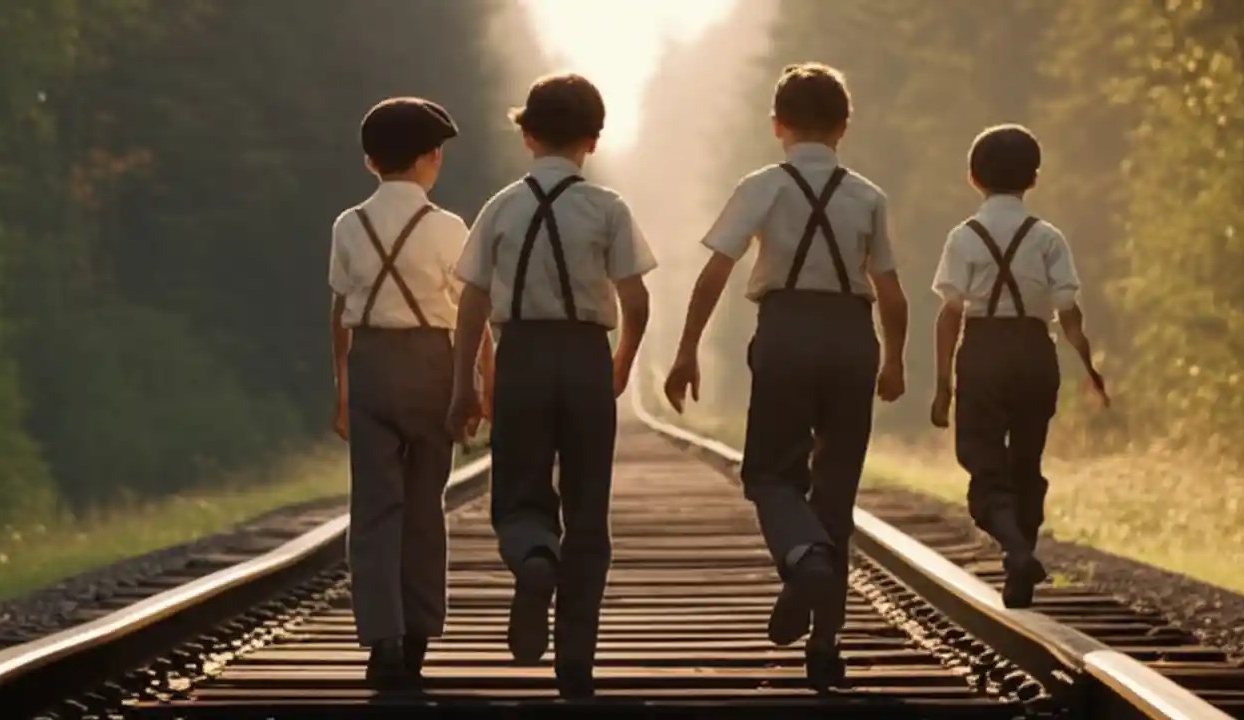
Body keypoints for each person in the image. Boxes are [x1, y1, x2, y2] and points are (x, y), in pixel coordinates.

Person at [663, 62, 909, 692]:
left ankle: (803, 559)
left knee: (770, 472)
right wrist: (895, 358)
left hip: (786, 331)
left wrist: (687, 347)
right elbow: (890, 290)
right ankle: (825, 649)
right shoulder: (868, 195)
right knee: (836, 494)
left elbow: (716, 269)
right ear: (844, 128)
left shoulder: (762, 185)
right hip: (853, 337)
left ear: (776, 125)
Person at [445, 73, 656, 700]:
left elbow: (472, 304)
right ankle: (575, 664)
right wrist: (621, 359)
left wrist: (466, 383)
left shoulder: (501, 207)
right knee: (589, 510)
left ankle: (534, 555)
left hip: (523, 357)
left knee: (517, 491)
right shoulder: (608, 207)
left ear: (527, 134)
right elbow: (637, 299)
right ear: (593, 139)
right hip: (587, 355)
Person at [329, 96, 491, 689]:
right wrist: (478, 382)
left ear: (371, 161)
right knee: (426, 504)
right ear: (432, 159)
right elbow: (471, 310)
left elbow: (340, 312)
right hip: (434, 363)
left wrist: (342, 388)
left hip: (372, 362)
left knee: (374, 509)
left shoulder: (349, 224)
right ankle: (421, 630)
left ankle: (383, 638)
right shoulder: (449, 228)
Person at [929, 124, 1109, 609]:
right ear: (1034, 177)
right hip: (1035, 350)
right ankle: (1020, 566)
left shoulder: (963, 237)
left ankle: (1014, 548)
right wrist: (1089, 368)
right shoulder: (1047, 237)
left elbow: (950, 314)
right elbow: (1069, 310)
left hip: (983, 349)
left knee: (983, 461)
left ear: (973, 177)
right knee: (1027, 461)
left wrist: (943, 386)